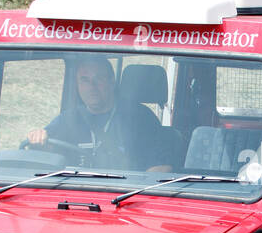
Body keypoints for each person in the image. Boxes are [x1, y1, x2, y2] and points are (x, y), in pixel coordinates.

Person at [26, 56, 171, 172]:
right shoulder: (67, 119)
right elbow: (43, 154)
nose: (91, 87)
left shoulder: (141, 118)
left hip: (124, 198)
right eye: (85, 80)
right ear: (77, 84)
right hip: (75, 194)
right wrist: (38, 138)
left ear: (112, 81)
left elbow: (161, 168)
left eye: (99, 79)